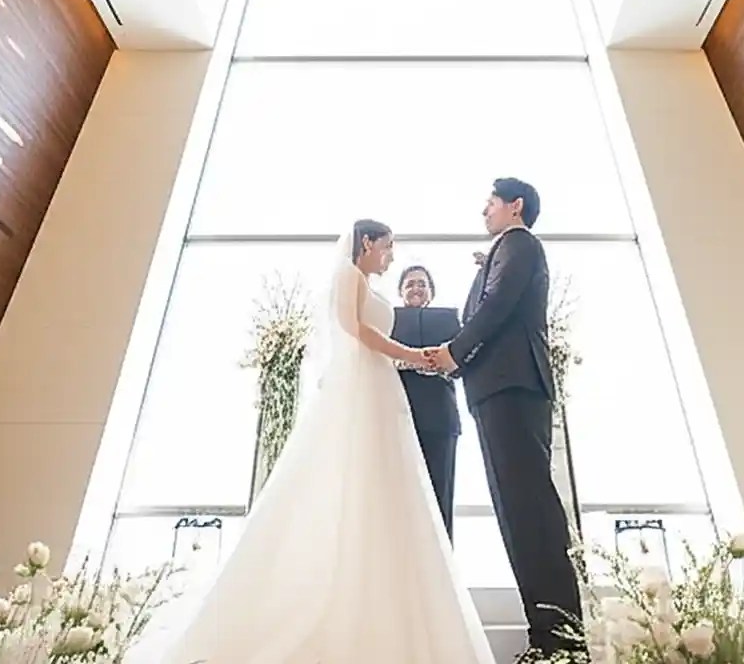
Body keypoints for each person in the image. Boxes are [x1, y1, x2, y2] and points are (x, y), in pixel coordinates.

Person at [161, 220, 496, 664]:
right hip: (363, 388)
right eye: (388, 247)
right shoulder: (348, 276)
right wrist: (413, 355)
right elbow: (356, 330)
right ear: (367, 243)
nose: (392, 255)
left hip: (382, 390)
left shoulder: (370, 284)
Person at [426, 178, 586, 659]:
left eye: (491, 203)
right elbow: (491, 301)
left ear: (515, 206)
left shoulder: (520, 243)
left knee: (530, 513)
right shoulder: (504, 251)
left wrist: (453, 353)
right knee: (517, 515)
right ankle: (547, 637)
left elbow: (497, 306)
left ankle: (563, 643)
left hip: (513, 387)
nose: (484, 211)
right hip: (498, 391)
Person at [391, 265, 463, 540]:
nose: (416, 288)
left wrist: (441, 365)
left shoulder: (449, 319)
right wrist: (411, 361)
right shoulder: (390, 320)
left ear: (431, 291)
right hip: (398, 415)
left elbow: (461, 362)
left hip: (440, 417)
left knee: (440, 495)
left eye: (422, 283)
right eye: (410, 284)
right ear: (400, 292)